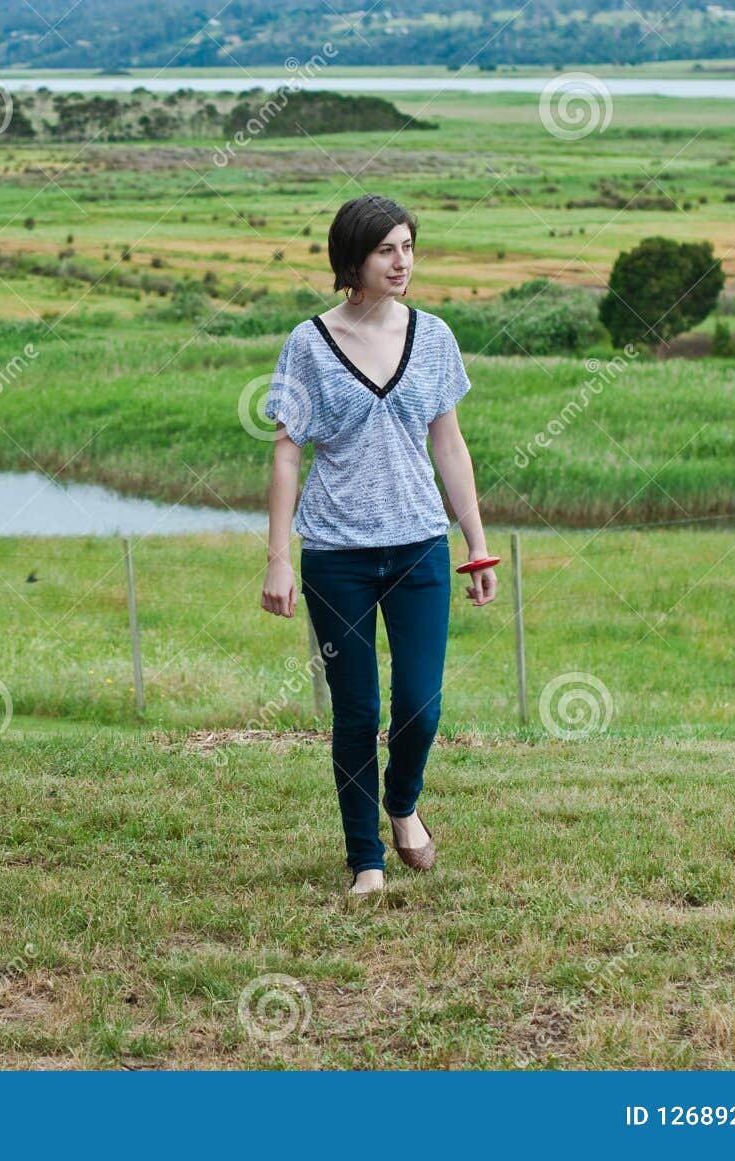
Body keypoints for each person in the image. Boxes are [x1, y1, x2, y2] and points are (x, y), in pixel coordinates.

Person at [259, 194, 496, 896]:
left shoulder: (435, 336)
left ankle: (403, 802)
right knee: (357, 710)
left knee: (421, 705)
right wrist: (278, 557)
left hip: (420, 546)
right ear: (352, 260)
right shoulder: (309, 344)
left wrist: (476, 545)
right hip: (337, 555)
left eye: (409, 246)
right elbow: (284, 453)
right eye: (387, 249)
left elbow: (449, 445)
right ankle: (366, 857)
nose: (403, 261)